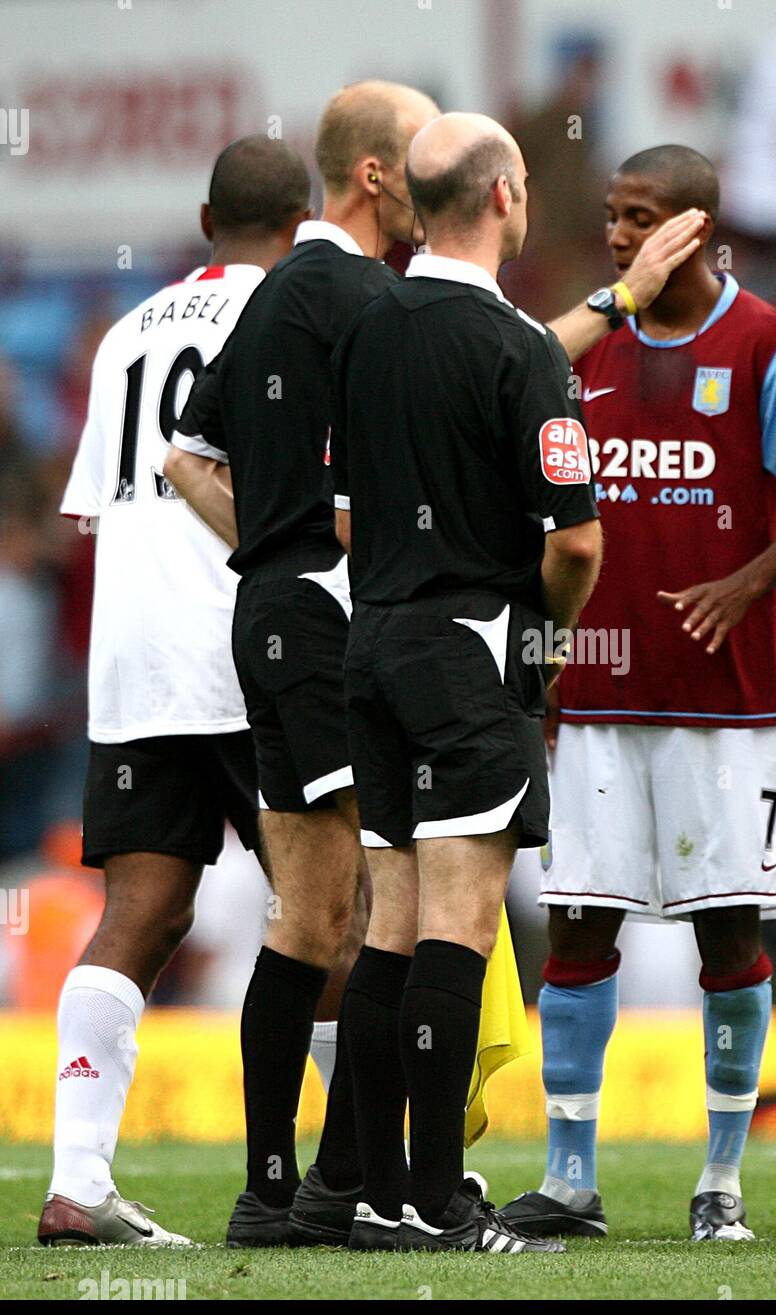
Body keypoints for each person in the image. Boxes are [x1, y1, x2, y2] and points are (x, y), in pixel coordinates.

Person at [498, 145, 776, 1243]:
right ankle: (569, 1179)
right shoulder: (583, 352)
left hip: (730, 704)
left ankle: (721, 1181)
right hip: (598, 694)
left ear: (691, 228)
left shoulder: (759, 345)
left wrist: (747, 583)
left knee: (728, 934)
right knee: (577, 924)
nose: (615, 234)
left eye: (636, 216)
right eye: (609, 215)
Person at [164, 80, 441, 1248]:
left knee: (311, 915)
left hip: (267, 619)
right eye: (421, 164)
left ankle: (274, 1191)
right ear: (377, 175)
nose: (437, 189)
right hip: (327, 625)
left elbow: (188, 454)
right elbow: (353, 497)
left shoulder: (277, 294)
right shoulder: (373, 301)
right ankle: (356, 1185)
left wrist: (268, 552)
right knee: (384, 902)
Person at [331, 112, 603, 1255]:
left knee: (389, 926)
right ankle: (442, 1199)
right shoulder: (522, 347)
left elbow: (339, 509)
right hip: (469, 643)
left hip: (370, 640)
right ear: (505, 195)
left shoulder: (358, 326)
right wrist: (541, 633)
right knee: (459, 924)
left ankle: (375, 1188)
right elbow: (577, 542)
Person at [40, 135, 312, 1247]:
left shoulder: (121, 336)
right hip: (253, 656)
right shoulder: (300, 315)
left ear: (204, 218)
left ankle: (77, 1181)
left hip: (133, 665)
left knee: (140, 914)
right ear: (305, 225)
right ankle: (345, 1176)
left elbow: (96, 512)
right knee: (325, 916)